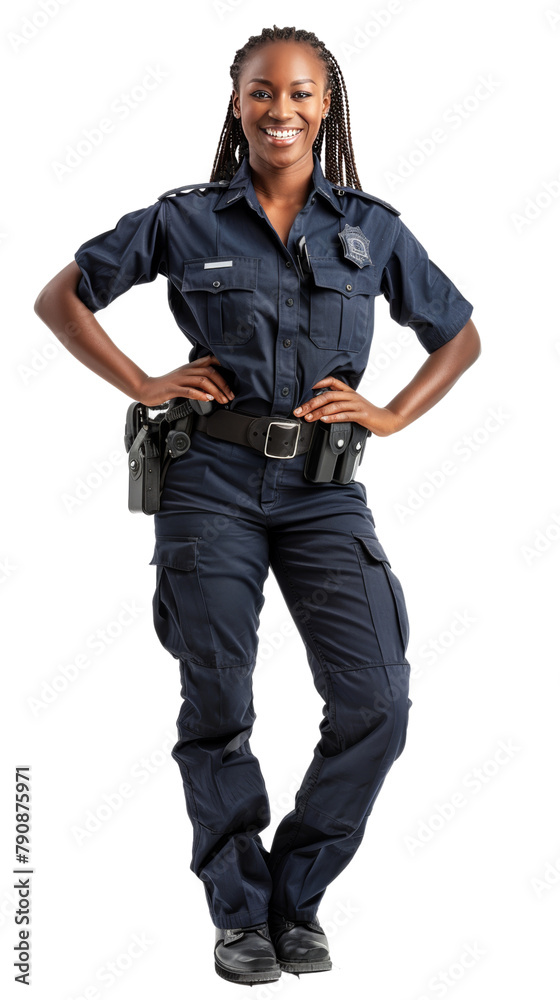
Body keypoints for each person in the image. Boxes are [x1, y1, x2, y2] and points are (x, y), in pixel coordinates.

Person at [34, 24, 481, 987]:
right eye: (262, 92)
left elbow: (460, 335)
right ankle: (238, 916)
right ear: (237, 102)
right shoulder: (184, 219)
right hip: (210, 488)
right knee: (219, 702)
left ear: (329, 104)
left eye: (303, 93)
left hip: (325, 492)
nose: (282, 109)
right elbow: (61, 297)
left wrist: (394, 412)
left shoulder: (372, 228)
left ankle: (294, 899)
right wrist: (144, 382)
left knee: (379, 702)